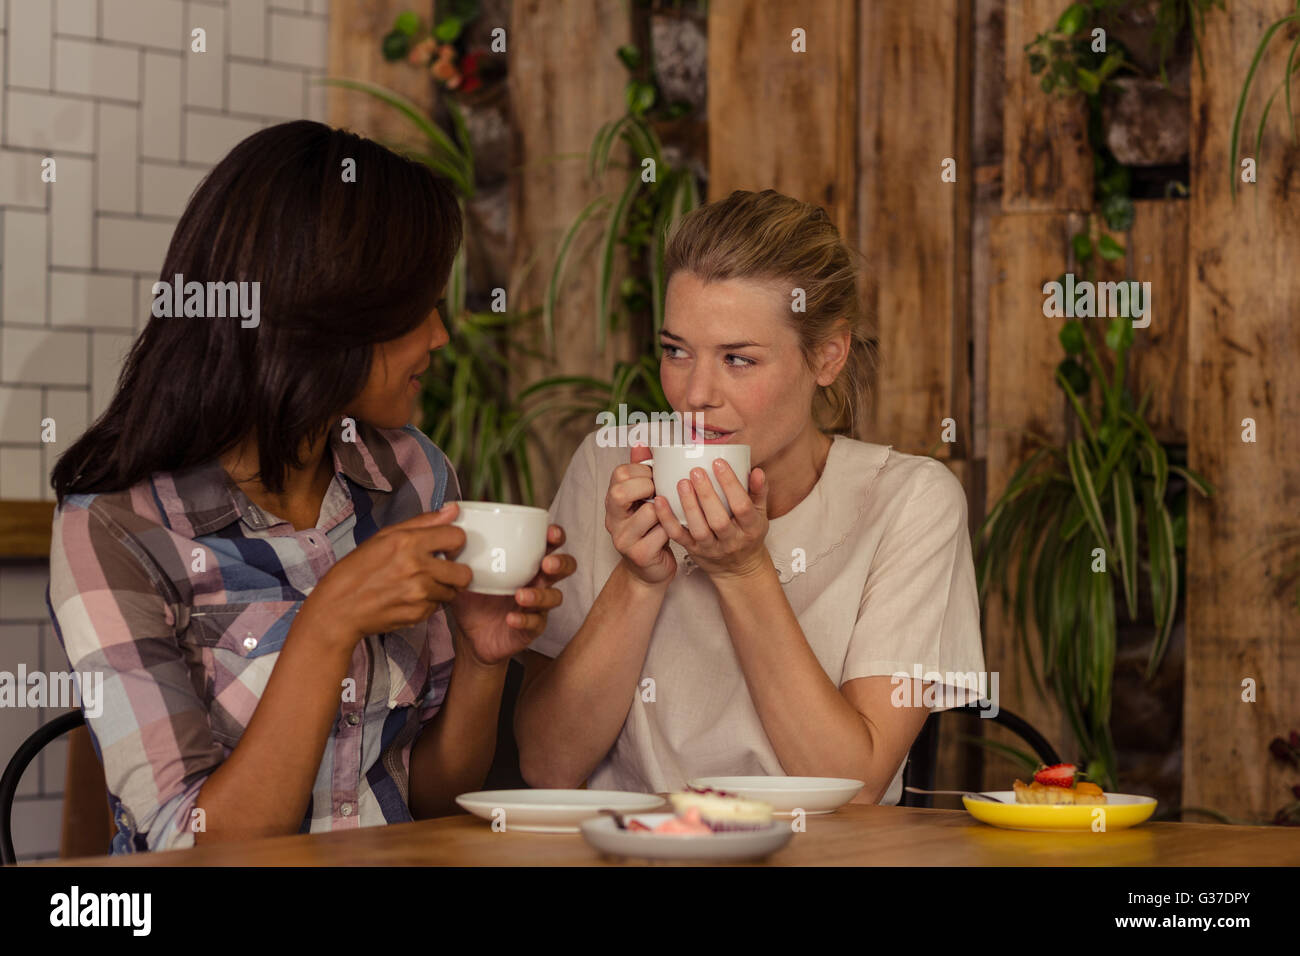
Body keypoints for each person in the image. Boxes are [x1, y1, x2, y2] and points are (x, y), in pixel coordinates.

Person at [46, 121, 575, 854]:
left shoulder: (413, 475)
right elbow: (188, 845)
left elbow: (429, 796)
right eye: (415, 306)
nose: (441, 336)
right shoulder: (115, 528)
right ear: (324, 315)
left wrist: (482, 661)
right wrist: (327, 624)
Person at [514, 189, 986, 805]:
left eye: (738, 359)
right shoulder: (611, 461)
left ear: (826, 356)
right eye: (676, 351)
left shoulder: (909, 502)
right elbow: (547, 765)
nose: (694, 394)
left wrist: (743, 571)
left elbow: (854, 788)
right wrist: (639, 580)